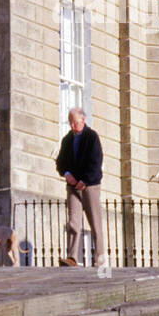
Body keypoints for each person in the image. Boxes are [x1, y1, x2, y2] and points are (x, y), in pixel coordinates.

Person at [54, 108, 105, 267]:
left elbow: (96, 161)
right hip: (73, 187)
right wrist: (66, 173)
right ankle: (72, 258)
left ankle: (99, 259)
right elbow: (60, 162)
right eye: (70, 122)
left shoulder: (92, 137)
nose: (72, 125)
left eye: (74, 122)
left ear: (83, 120)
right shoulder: (67, 139)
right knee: (73, 222)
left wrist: (85, 180)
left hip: (90, 186)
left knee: (95, 223)